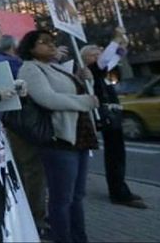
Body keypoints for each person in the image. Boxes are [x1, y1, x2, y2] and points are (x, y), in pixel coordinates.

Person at [17, 29, 99, 243]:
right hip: (59, 139)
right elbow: (48, 99)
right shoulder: (30, 68)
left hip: (79, 136)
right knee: (62, 199)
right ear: (30, 48)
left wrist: (84, 78)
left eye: (52, 41)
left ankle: (79, 238)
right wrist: (84, 102)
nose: (51, 45)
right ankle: (63, 237)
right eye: (44, 42)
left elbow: (75, 91)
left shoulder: (56, 67)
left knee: (77, 196)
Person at [81, 29, 147, 209]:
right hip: (106, 117)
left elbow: (115, 57)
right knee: (114, 155)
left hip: (112, 115)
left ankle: (119, 189)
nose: (98, 55)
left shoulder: (100, 71)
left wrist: (122, 45)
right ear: (85, 58)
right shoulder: (91, 70)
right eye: (93, 53)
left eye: (99, 52)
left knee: (117, 154)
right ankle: (118, 193)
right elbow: (105, 60)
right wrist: (116, 40)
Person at [0, 34, 50, 239]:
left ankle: (28, 217)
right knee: (33, 171)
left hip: (12, 123)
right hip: (22, 124)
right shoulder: (12, 65)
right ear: (13, 47)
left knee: (23, 170)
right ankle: (36, 220)